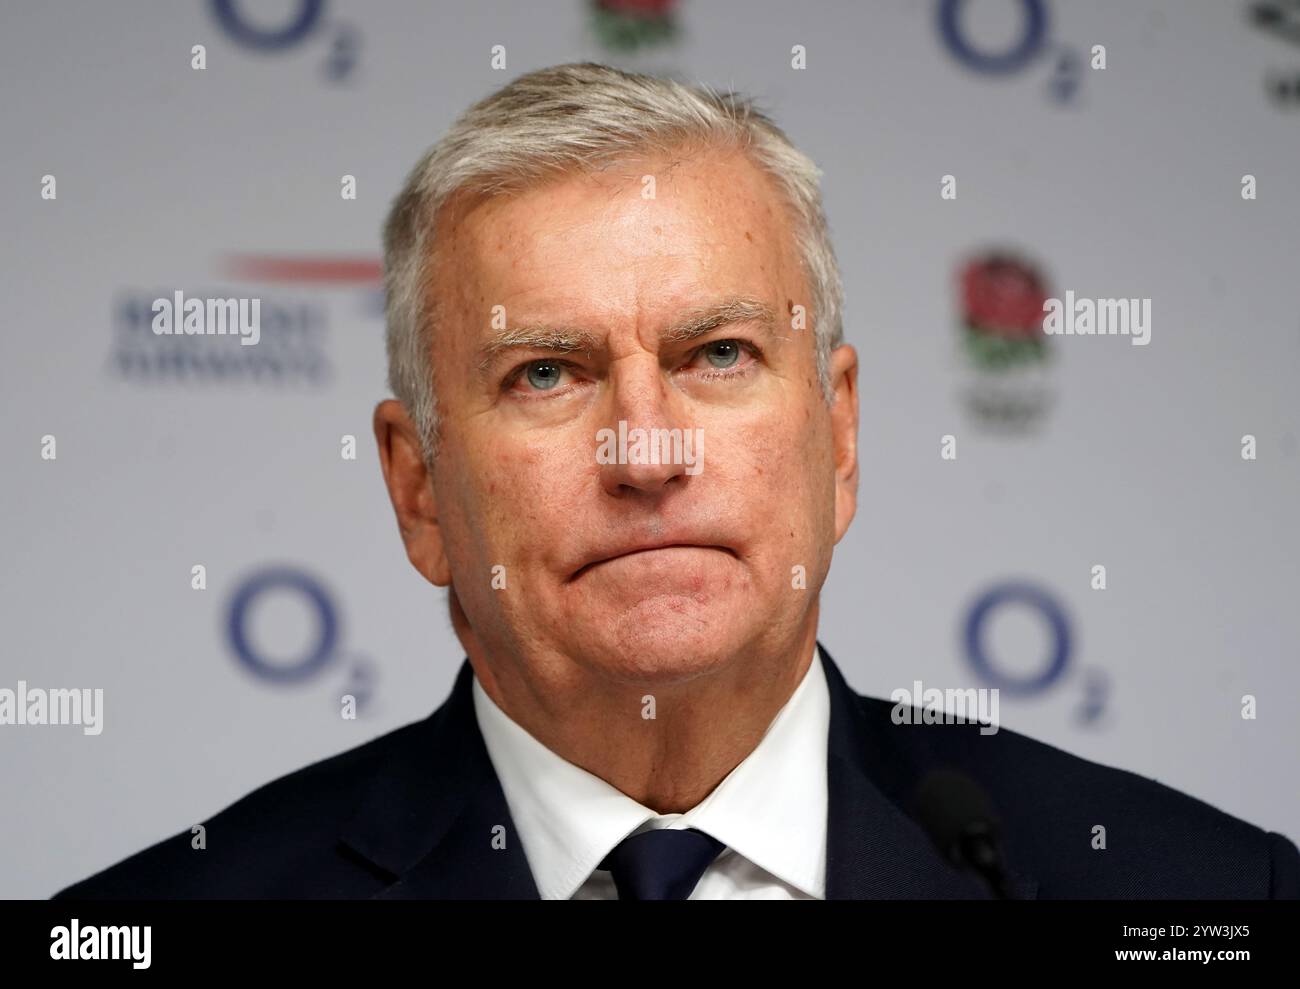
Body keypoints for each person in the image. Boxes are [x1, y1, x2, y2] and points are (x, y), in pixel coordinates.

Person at [55, 62, 1298, 900]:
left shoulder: (1194, 893)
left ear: (839, 434)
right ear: (420, 490)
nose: (645, 452)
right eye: (547, 374)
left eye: (717, 354)